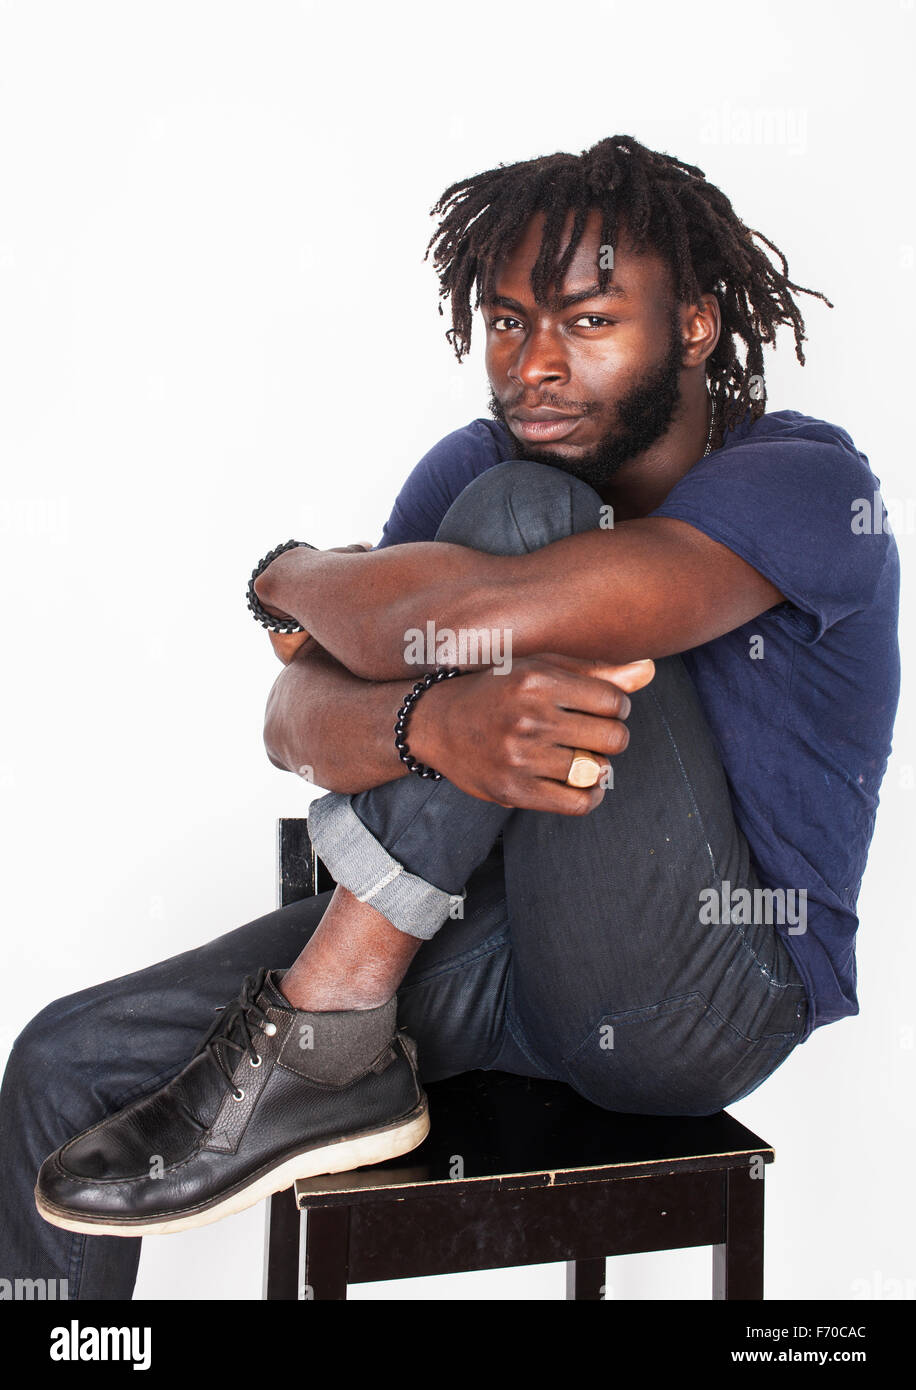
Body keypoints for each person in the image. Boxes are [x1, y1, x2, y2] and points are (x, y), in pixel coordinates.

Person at [0, 134, 899, 1299]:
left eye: (585, 320)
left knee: (526, 517)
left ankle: (327, 1022)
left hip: (703, 987)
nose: (533, 365)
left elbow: (418, 622)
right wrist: (436, 725)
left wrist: (290, 569)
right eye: (509, 321)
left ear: (692, 327)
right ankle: (322, 1052)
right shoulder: (477, 462)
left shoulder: (806, 483)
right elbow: (297, 713)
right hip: (488, 940)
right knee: (67, 1062)